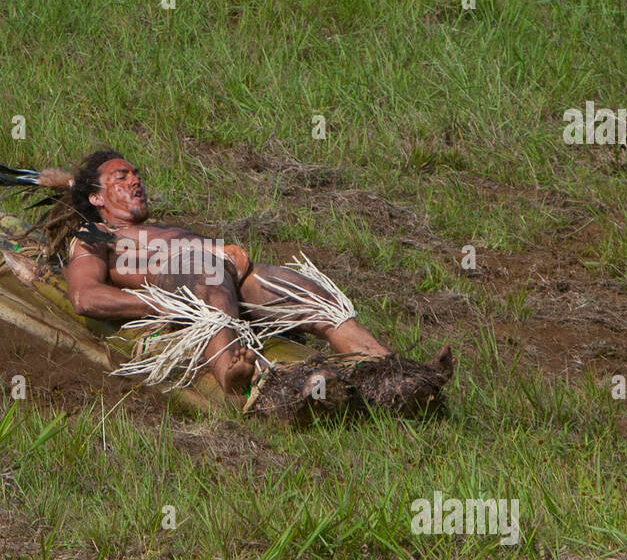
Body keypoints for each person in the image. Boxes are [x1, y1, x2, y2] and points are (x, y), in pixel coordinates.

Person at [21, 148, 398, 396]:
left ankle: (386, 371)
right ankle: (231, 373)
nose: (135, 180)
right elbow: (84, 296)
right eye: (121, 177)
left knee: (311, 295)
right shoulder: (94, 235)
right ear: (96, 199)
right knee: (204, 269)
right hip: (187, 287)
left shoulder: (159, 229)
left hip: (227, 278)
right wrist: (158, 304)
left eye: (136, 173)